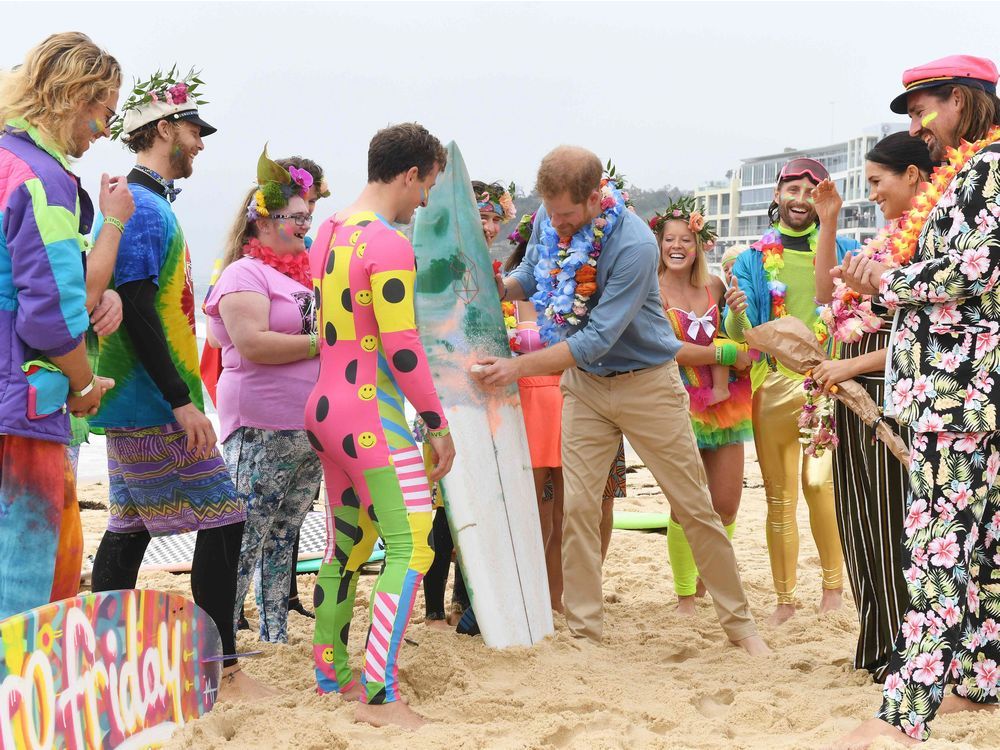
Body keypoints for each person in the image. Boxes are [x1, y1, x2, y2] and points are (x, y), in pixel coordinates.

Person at [475, 145, 767, 656]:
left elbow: (595, 338)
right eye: (550, 213)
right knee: (578, 511)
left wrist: (516, 367)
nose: (557, 224)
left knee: (694, 507)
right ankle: (585, 635)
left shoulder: (634, 243)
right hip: (585, 387)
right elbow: (536, 272)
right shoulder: (549, 215)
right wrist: (502, 286)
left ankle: (742, 629)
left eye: (567, 215)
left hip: (647, 383)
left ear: (595, 198)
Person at [834, 54, 1000, 748]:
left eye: (920, 108)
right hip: (965, 391)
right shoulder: (969, 171)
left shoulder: (988, 168)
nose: (914, 126)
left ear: (959, 99)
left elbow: (978, 266)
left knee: (937, 548)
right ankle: (980, 685)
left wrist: (886, 282)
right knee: (982, 550)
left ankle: (903, 717)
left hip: (956, 393)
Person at [87, 69, 269, 700]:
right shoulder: (140, 206)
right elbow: (136, 305)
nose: (201, 142)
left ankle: (103, 659)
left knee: (129, 527)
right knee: (225, 516)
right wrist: (181, 400)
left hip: (133, 399)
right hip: (149, 400)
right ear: (165, 129)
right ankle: (224, 671)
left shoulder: (149, 203)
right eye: (195, 130)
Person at [307, 122, 456, 729]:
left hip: (325, 409)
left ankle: (331, 675)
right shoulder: (388, 243)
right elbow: (402, 347)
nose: (424, 201)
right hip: (371, 416)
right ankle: (378, 694)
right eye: (426, 187)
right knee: (412, 543)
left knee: (346, 545)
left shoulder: (327, 231)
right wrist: (437, 424)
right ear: (410, 174)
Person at [0, 32, 125, 619]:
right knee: (26, 589)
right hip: (19, 408)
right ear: (76, 95)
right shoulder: (40, 178)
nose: (104, 131)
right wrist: (84, 385)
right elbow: (51, 315)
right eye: (106, 113)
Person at [810, 132, 934, 683]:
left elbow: (925, 333)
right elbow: (825, 297)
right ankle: (879, 641)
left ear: (913, 175)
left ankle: (909, 651)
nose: (873, 193)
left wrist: (850, 367)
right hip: (852, 395)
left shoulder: (931, 241)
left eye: (878, 182)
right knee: (858, 519)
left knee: (891, 521)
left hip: (890, 396)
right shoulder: (883, 241)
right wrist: (829, 221)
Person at [724, 156, 857, 626]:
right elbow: (741, 334)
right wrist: (735, 310)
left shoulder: (845, 249)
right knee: (779, 498)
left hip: (828, 382)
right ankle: (784, 600)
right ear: (777, 195)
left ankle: (833, 589)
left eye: (810, 191)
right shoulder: (751, 259)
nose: (800, 200)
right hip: (774, 385)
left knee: (820, 486)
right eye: (792, 190)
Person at [204, 147, 322, 644]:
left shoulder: (303, 274)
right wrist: (321, 343)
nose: (305, 225)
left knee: (285, 533)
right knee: (245, 537)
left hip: (308, 425)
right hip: (260, 424)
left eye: (308, 216)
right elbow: (251, 344)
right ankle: (223, 638)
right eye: (297, 217)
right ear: (264, 220)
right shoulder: (243, 274)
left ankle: (276, 634)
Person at [421, 179, 515, 630]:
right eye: (483, 217)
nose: (490, 227)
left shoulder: (492, 275)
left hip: (485, 400)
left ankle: (463, 601)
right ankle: (433, 610)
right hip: (446, 399)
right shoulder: (442, 267)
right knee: (445, 508)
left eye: (496, 219)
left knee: (477, 502)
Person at [653, 198, 753, 614]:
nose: (677, 247)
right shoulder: (651, 290)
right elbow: (669, 349)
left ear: (698, 245)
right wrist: (726, 354)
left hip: (725, 401)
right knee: (687, 503)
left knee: (726, 503)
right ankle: (684, 595)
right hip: (676, 402)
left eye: (686, 240)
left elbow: (740, 335)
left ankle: (708, 580)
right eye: (669, 240)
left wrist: (739, 317)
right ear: (658, 243)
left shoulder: (714, 285)